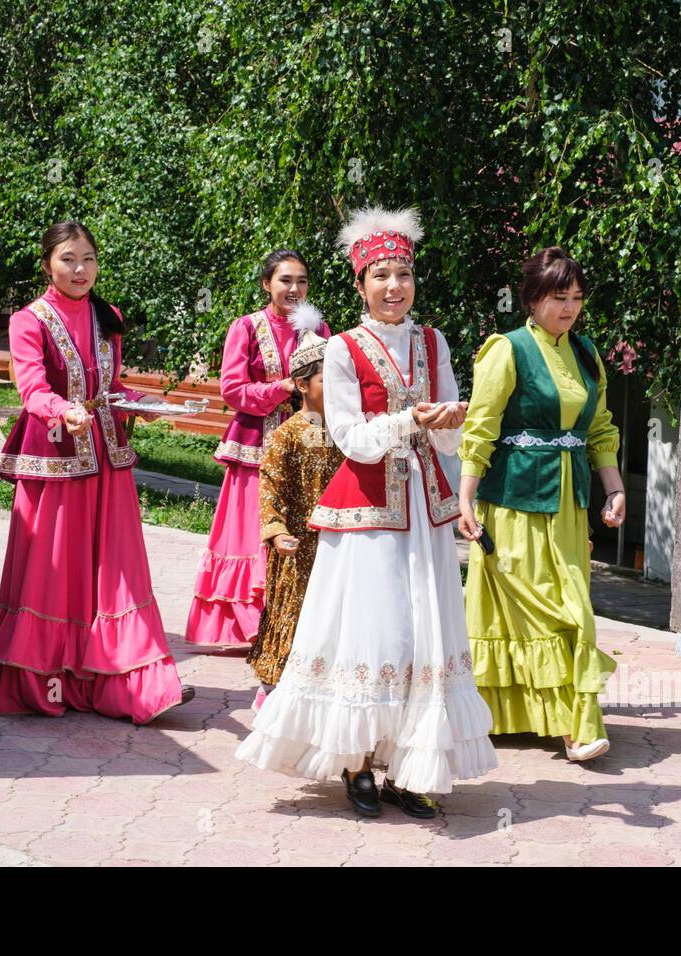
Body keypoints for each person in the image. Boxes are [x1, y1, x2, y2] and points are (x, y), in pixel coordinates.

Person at [237, 205, 498, 819]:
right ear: (360, 284)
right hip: (366, 519)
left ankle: (411, 767)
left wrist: (450, 425)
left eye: (403, 274)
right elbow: (351, 438)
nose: (393, 287)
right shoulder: (340, 350)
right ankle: (356, 762)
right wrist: (413, 419)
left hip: (424, 519)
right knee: (371, 633)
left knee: (422, 637)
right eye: (379, 275)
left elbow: (449, 439)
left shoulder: (433, 341)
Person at [0, 221, 193, 725]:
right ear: (48, 263)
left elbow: (110, 384)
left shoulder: (106, 315)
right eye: (69, 259)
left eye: (88, 259)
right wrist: (61, 411)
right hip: (55, 462)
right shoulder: (30, 319)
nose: (80, 270)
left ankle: (132, 683)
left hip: (107, 460)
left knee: (118, 571)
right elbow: (30, 388)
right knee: (55, 574)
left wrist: (140, 405)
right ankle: (45, 680)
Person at [457, 247, 625, 762]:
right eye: (558, 297)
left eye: (576, 298)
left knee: (571, 603)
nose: (569, 308)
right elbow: (480, 428)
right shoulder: (506, 351)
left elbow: (599, 428)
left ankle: (565, 719)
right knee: (539, 611)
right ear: (531, 299)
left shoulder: (587, 352)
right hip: (511, 502)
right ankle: (554, 723)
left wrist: (615, 489)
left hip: (569, 506)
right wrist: (465, 498)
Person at [185, 251, 330, 648]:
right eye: (285, 280)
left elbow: (333, 381)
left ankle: (295, 618)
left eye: (302, 280)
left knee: (300, 527)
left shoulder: (318, 329)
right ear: (267, 284)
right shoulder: (246, 327)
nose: (294, 289)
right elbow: (231, 389)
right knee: (252, 531)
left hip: (306, 444)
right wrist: (278, 389)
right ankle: (250, 621)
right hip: (254, 447)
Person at [245, 303, 344, 711]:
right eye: (327, 379)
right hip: (297, 543)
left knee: (331, 612)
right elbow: (270, 487)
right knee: (293, 608)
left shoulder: (346, 431)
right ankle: (273, 684)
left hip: (337, 541)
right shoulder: (286, 435)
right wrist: (276, 529)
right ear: (302, 384)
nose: (337, 387)